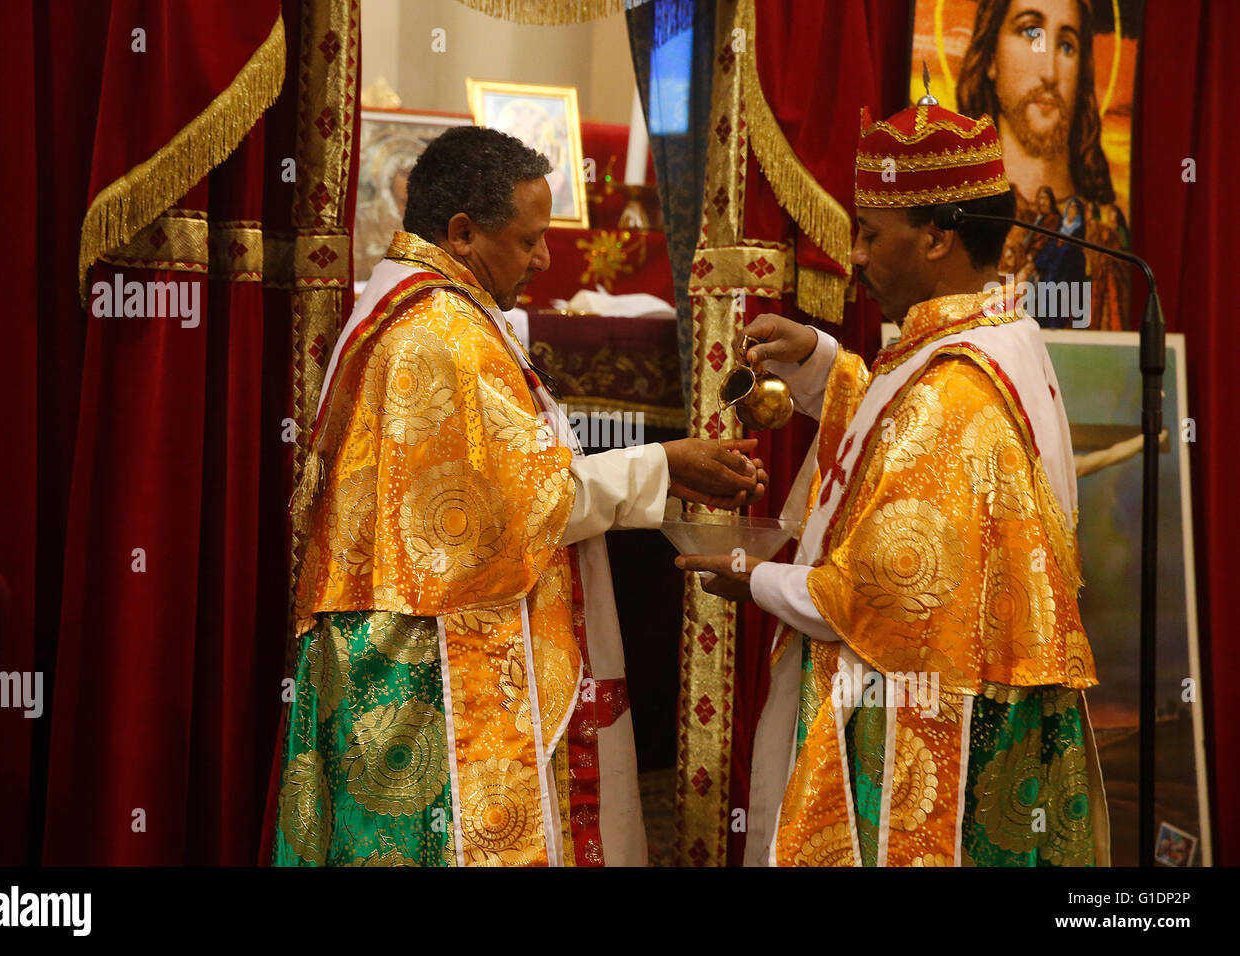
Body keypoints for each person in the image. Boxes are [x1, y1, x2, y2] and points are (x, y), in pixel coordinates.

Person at [273, 125, 766, 867]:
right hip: (426, 658)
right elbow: (521, 505)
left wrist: (659, 469)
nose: (543, 258)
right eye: (530, 239)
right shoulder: (442, 334)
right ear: (464, 232)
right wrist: (664, 463)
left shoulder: (430, 309)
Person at [678, 100, 1109, 867]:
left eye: (873, 235)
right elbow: (891, 437)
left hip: (923, 718)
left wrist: (757, 580)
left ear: (939, 236)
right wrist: (819, 360)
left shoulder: (954, 393)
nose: (858, 257)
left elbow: (878, 596)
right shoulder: (991, 337)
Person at [955, 0, 1131, 329]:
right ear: (991, 57)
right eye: (1031, 32)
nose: (1050, 72)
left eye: (1067, 46)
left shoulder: (1104, 236)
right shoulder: (958, 220)